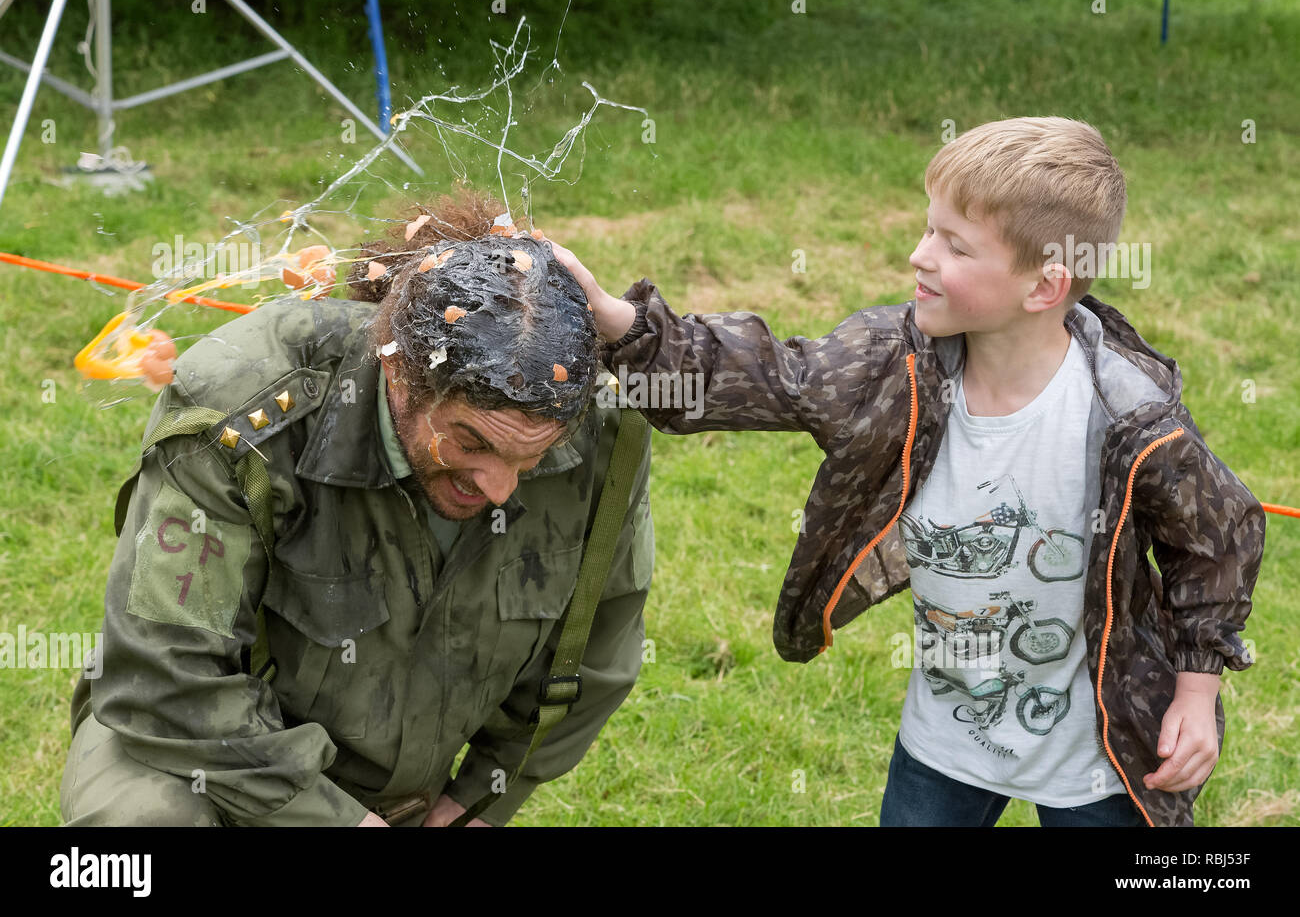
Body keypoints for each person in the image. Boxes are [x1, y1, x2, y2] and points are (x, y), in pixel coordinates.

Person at [549, 117, 1266, 827]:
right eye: (929, 229)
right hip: (944, 740)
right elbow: (770, 375)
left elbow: (1219, 538)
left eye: (955, 245)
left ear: (1044, 286)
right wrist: (622, 324)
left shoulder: (1130, 416)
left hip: (1100, 750)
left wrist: (1196, 690)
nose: (920, 255)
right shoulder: (893, 366)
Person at [60, 192, 654, 827]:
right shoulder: (242, 414)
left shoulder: (602, 430)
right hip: (188, 756)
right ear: (402, 378)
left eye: (531, 457)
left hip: (390, 795)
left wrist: (479, 800)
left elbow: (592, 648)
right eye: (472, 443)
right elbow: (165, 676)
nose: (501, 488)